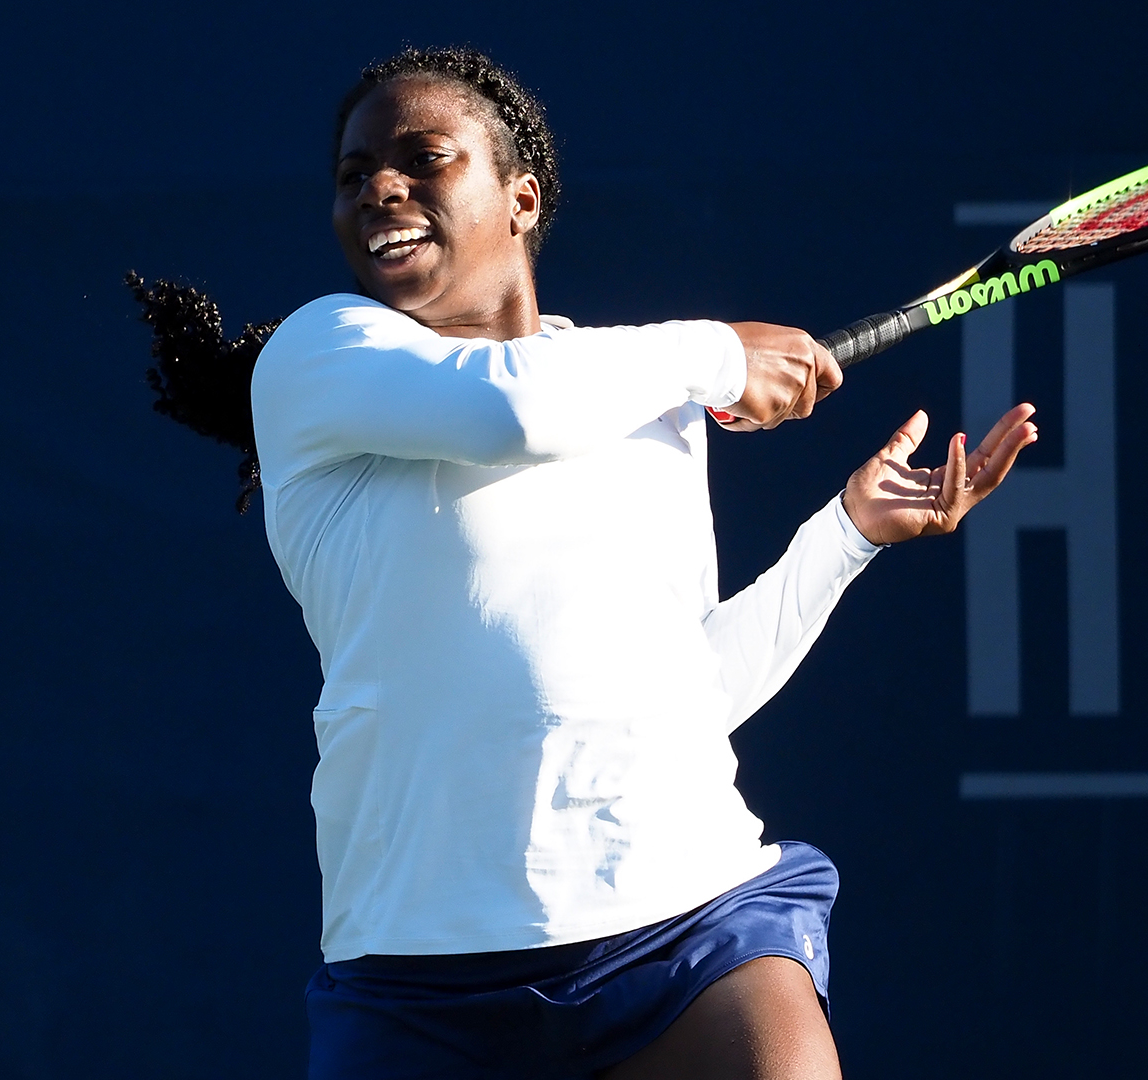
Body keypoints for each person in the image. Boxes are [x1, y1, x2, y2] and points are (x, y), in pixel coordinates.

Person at [131, 46, 1037, 1080]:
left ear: (520, 200)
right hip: (422, 980)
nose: (381, 185)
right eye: (354, 174)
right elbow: (509, 407)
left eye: (425, 158)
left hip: (682, 926)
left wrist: (844, 538)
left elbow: (688, 693)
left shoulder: (647, 400)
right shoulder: (319, 354)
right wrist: (718, 354)